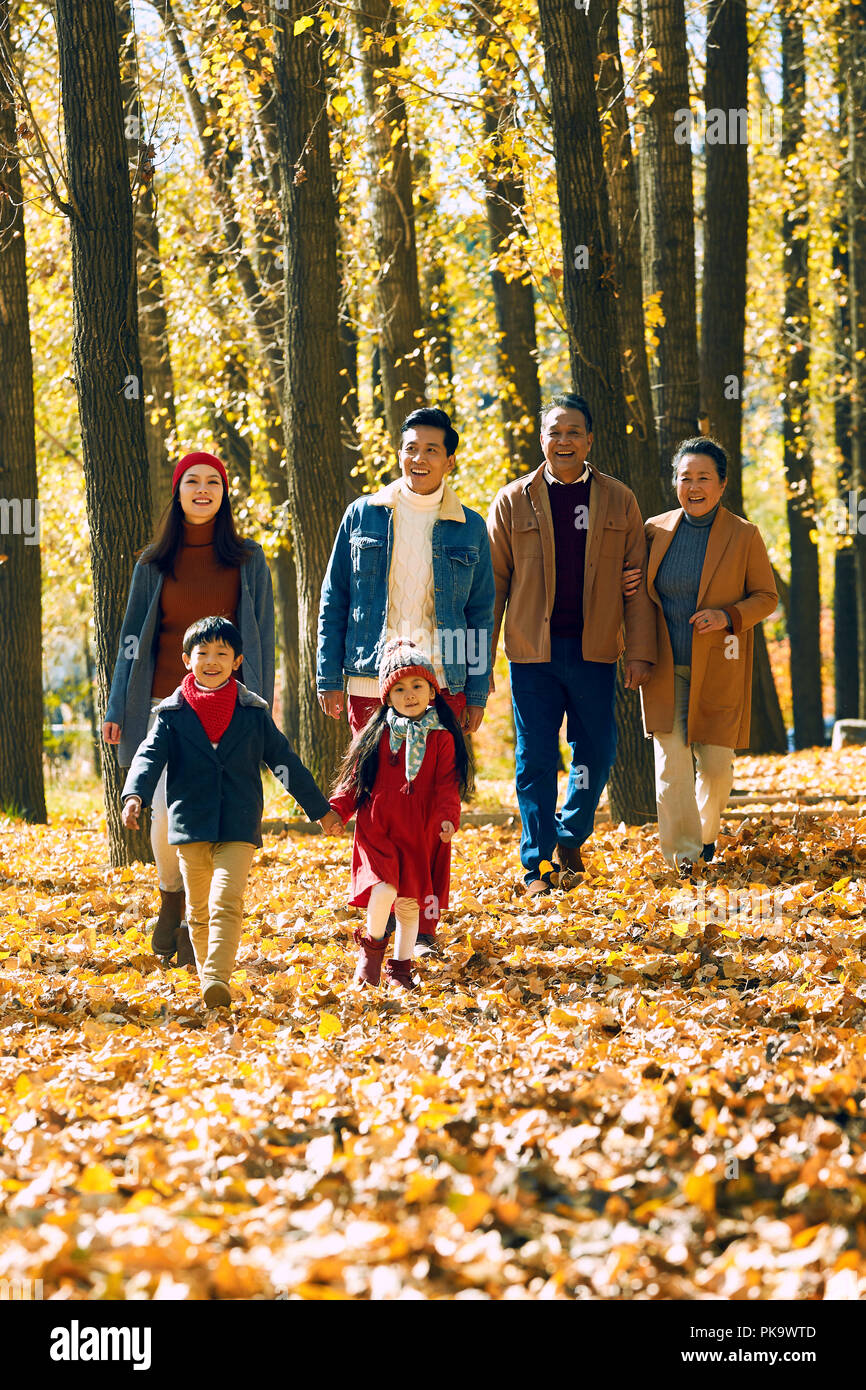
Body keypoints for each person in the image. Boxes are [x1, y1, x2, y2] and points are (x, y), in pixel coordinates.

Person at [317, 406, 494, 953]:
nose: (419, 459)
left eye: (431, 450)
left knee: (431, 811)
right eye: (410, 447)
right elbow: (335, 598)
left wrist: (476, 690)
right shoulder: (364, 514)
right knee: (375, 805)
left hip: (443, 682)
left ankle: (423, 927)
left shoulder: (468, 526)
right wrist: (329, 675)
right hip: (370, 679)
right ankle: (379, 917)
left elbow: (481, 614)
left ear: (449, 459)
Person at [103, 452, 275, 967]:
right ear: (177, 492)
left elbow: (262, 638)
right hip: (163, 706)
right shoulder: (152, 564)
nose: (203, 490)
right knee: (161, 817)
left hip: (226, 710)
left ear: (224, 493)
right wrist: (116, 704)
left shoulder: (249, 559)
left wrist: (261, 709)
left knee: (208, 816)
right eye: (192, 482)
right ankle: (171, 898)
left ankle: (196, 919)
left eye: (213, 482)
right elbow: (132, 638)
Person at [120, 617, 341, 1007]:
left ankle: (217, 977)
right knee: (199, 911)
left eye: (222, 653)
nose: (212, 660)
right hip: (190, 826)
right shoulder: (172, 714)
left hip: (238, 823)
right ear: (187, 660)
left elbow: (284, 762)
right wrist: (134, 795)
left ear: (237, 661)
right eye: (203, 653)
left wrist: (320, 810)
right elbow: (148, 757)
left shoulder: (252, 711)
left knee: (226, 901)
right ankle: (211, 981)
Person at [487, 393, 657, 894]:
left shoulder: (618, 499)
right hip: (531, 652)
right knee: (535, 757)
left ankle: (569, 834)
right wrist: (481, 662)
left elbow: (638, 579)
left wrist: (640, 651)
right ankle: (537, 863)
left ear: (589, 439)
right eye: (554, 432)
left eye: (573, 432)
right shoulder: (513, 499)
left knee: (597, 750)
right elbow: (495, 584)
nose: (563, 441)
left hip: (594, 649)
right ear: (542, 439)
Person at [622, 437, 777, 877]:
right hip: (664, 667)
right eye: (685, 477)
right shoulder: (654, 530)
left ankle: (706, 837)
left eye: (703, 478)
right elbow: (634, 590)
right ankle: (684, 858)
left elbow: (766, 597)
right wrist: (628, 583)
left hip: (719, 665)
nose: (693, 486)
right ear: (675, 483)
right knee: (671, 766)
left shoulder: (744, 535)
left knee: (715, 767)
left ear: (722, 484)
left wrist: (727, 615)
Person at [329, 640, 470, 990]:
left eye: (417, 685)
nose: (409, 695)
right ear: (387, 697)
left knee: (410, 901)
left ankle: (401, 968)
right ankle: (371, 953)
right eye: (399, 689)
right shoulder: (374, 735)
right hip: (379, 824)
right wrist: (337, 810)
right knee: (384, 888)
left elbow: (446, 785)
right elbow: (354, 780)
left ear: (432, 691)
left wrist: (447, 817)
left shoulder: (441, 737)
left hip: (419, 829)